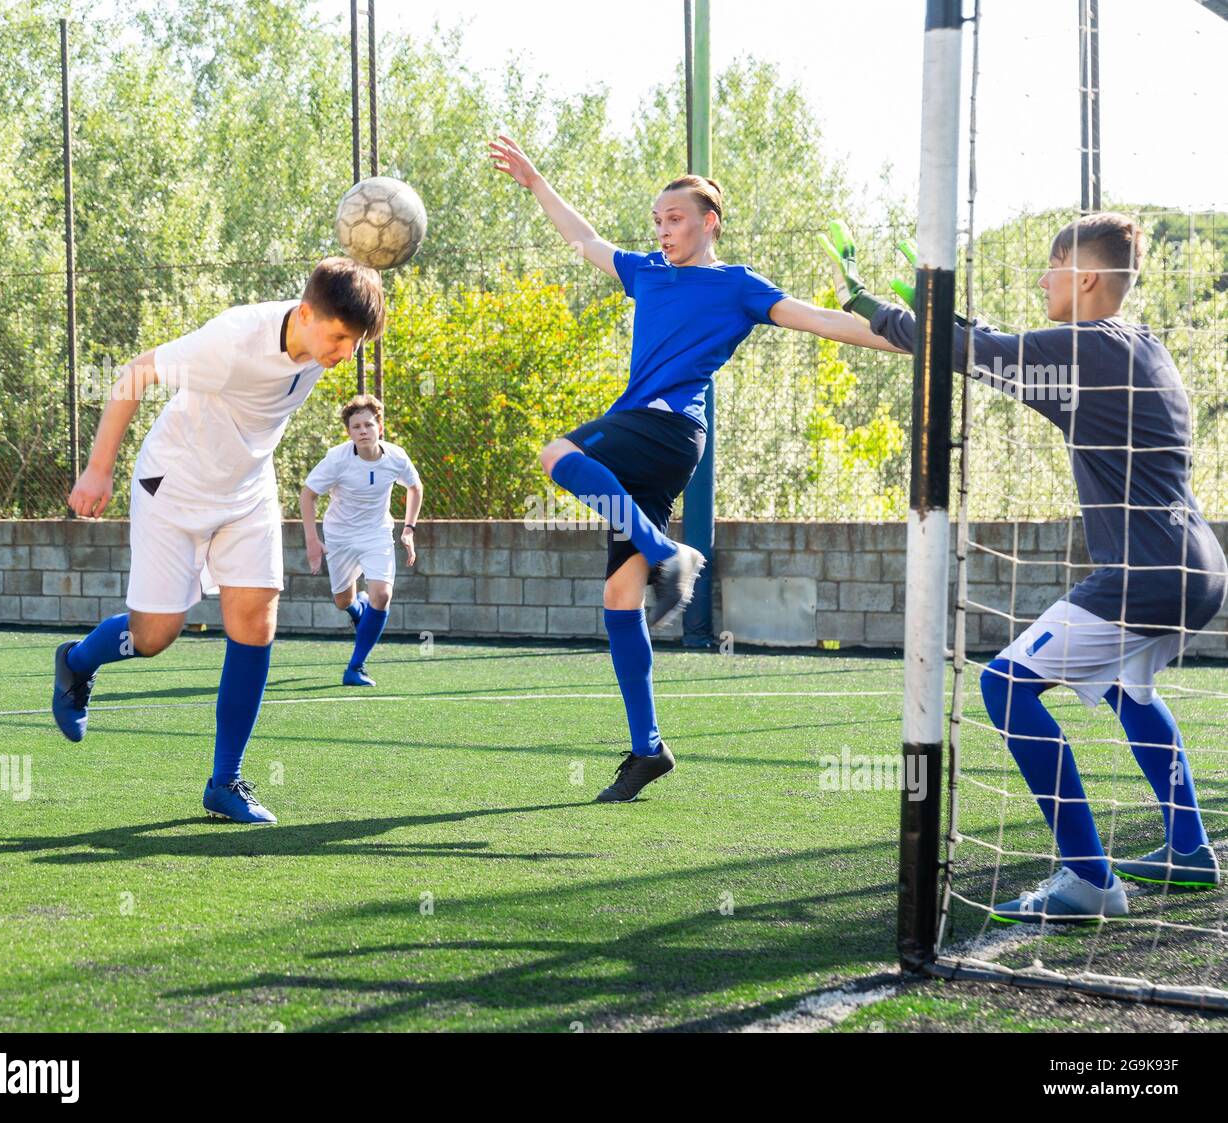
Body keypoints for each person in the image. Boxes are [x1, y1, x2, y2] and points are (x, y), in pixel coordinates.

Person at [825, 213, 1227, 921]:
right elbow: (995, 348)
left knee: (1006, 685)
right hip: (1198, 566)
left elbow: (973, 354)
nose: (1042, 278)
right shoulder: (1141, 345)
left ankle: (1087, 878)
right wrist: (930, 314)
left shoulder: (1079, 349)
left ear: (1088, 275)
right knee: (1130, 692)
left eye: (1052, 263)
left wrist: (874, 309)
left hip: (1146, 571)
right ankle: (1189, 848)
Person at [490, 134, 901, 802]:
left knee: (556, 453)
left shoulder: (736, 286)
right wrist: (537, 182)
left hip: (666, 426)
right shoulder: (647, 272)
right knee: (620, 601)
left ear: (708, 222)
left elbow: (823, 321)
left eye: (674, 218)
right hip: (649, 436)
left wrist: (905, 334)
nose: (662, 229)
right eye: (657, 220)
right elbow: (586, 240)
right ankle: (648, 747)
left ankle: (666, 552)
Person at [52, 258, 385, 824]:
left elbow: (339, 287)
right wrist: (98, 469)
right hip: (173, 487)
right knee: (154, 636)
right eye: (338, 337)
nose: (345, 353)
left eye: (355, 343)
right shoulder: (232, 340)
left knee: (256, 620)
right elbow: (135, 373)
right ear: (305, 315)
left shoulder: (320, 335)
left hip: (247, 490)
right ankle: (78, 662)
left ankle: (225, 781)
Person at [300, 393, 422, 687]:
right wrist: (311, 540)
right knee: (343, 601)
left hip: (377, 533)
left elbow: (415, 488)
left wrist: (408, 529)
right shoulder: (336, 459)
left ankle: (355, 667)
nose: (363, 431)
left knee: (382, 594)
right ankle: (358, 609)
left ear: (380, 427)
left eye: (368, 424)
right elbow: (308, 495)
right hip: (340, 535)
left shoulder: (396, 456)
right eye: (356, 427)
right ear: (349, 432)